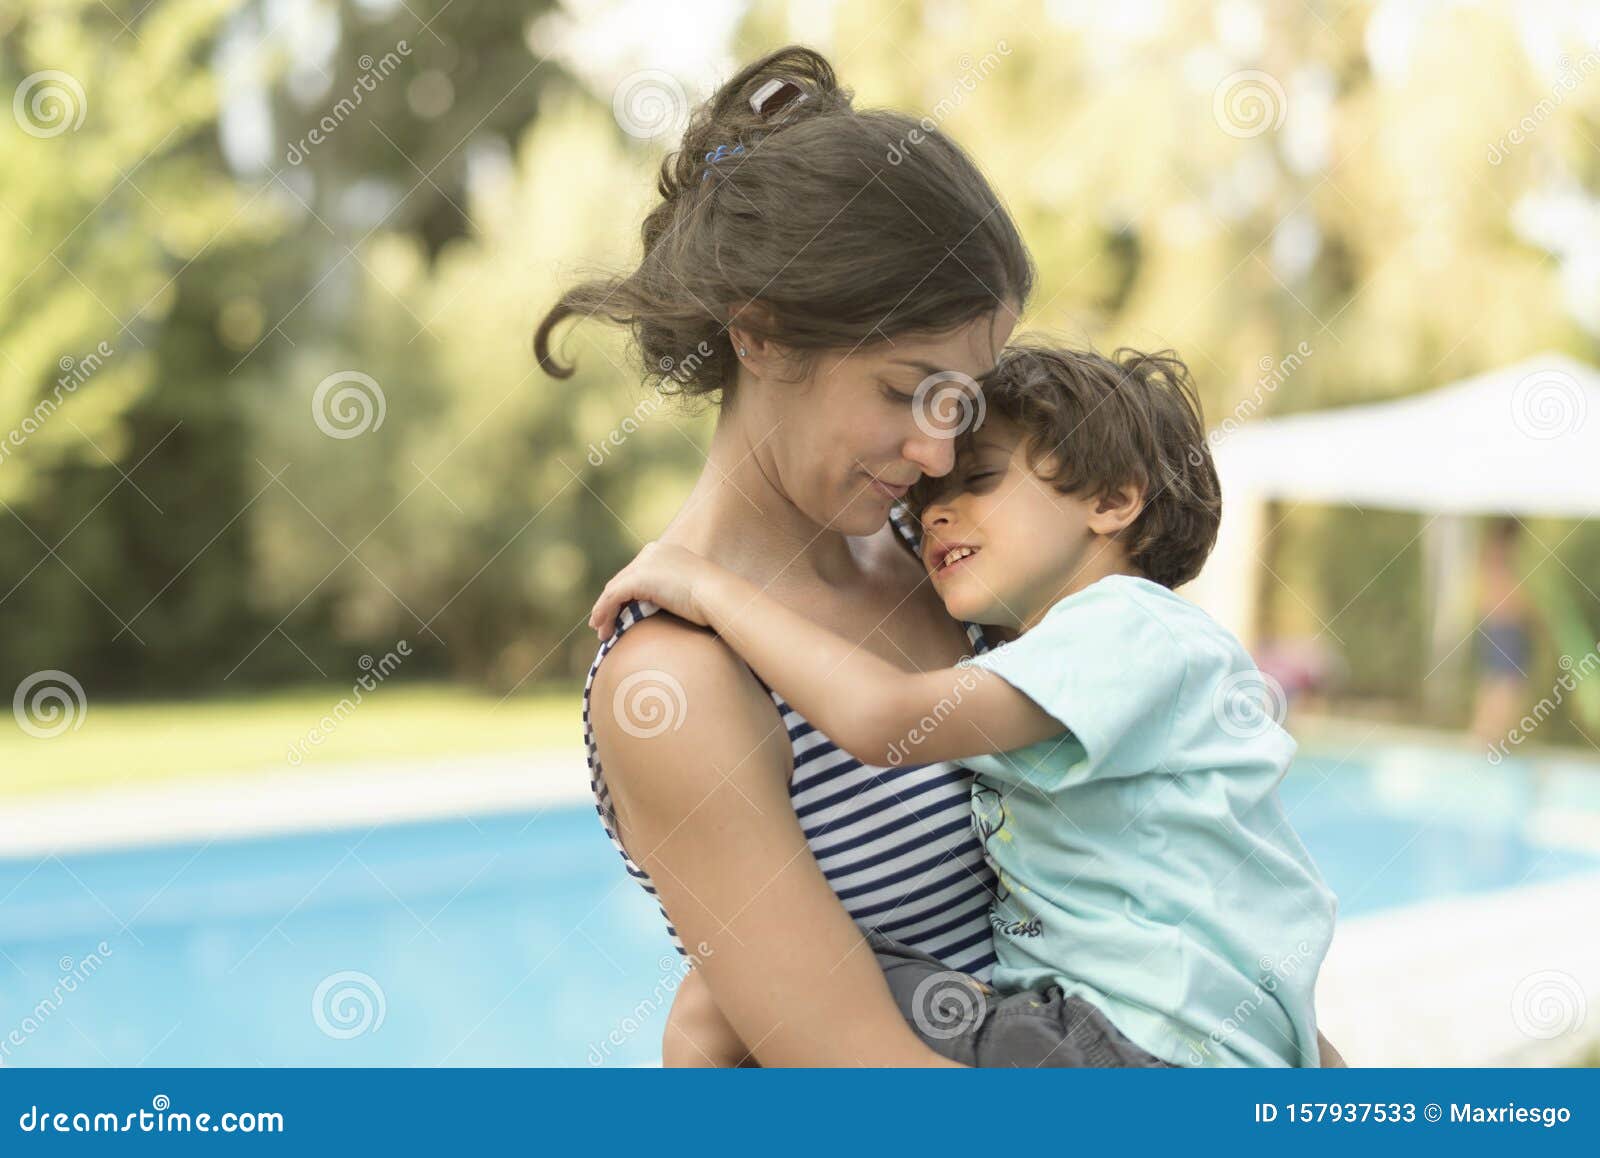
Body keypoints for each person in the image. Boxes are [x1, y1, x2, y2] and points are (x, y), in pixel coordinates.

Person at [590, 344, 1339, 1067]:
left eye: (978, 478)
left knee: (712, 1011)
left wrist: (710, 589)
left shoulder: (1123, 633)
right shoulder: (1085, 644)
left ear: (1113, 499)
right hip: (1162, 1041)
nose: (935, 513)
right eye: (925, 506)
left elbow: (883, 720)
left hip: (1117, 1048)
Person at [542, 45, 1032, 1066]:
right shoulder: (677, 681)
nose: (939, 451)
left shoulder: (946, 550)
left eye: (962, 399)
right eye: (903, 390)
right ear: (759, 337)